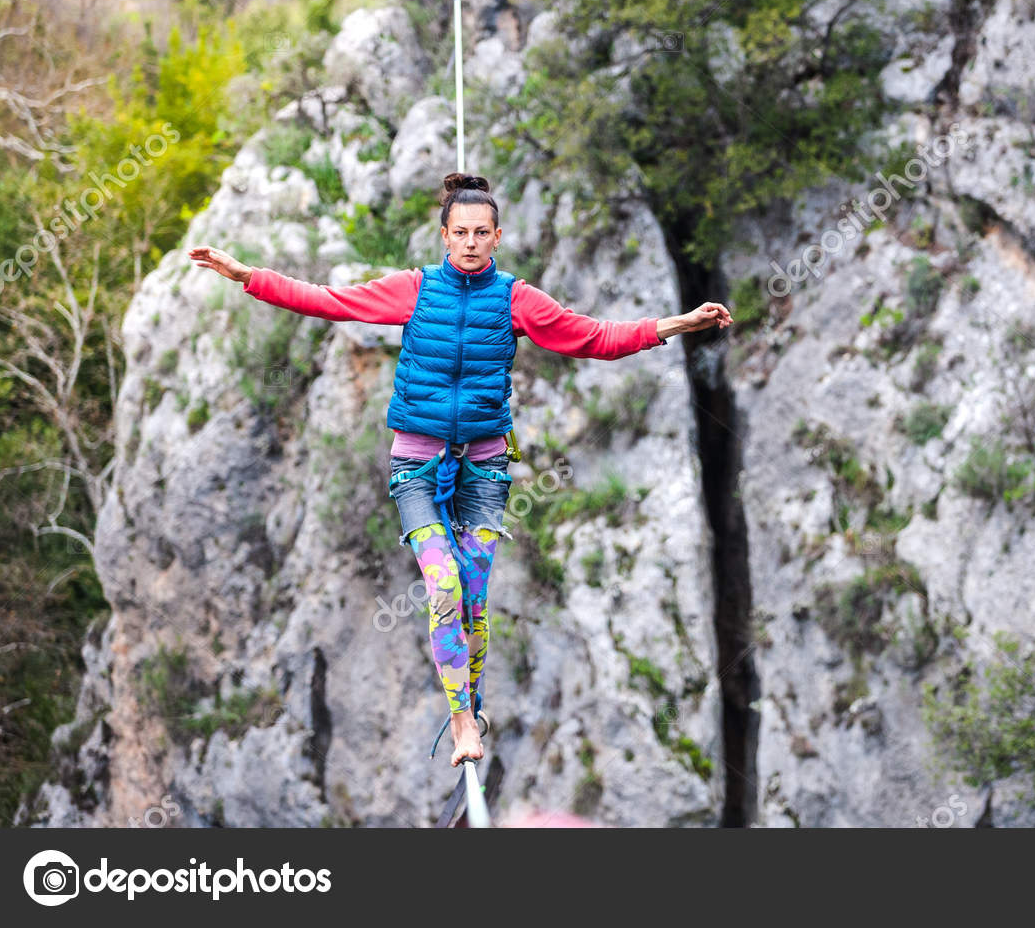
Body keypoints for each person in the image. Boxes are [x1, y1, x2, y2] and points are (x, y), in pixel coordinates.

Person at [189, 172, 731, 766]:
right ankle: (462, 722)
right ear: (444, 237)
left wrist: (679, 324)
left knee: (473, 596)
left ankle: (471, 696)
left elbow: (593, 338)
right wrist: (248, 277)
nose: (471, 242)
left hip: (484, 469)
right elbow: (330, 299)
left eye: (481, 233)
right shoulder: (415, 290)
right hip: (417, 466)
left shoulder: (516, 299)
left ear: (497, 237)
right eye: (460, 232)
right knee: (443, 587)